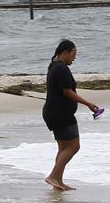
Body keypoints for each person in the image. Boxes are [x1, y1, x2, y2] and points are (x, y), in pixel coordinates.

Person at [42, 39, 100, 191]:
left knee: (63, 148)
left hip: (52, 112)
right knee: (74, 146)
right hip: (61, 113)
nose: (74, 58)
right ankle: (53, 176)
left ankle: (58, 181)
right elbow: (67, 91)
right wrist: (88, 104)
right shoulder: (62, 68)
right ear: (65, 52)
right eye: (73, 54)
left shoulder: (53, 65)